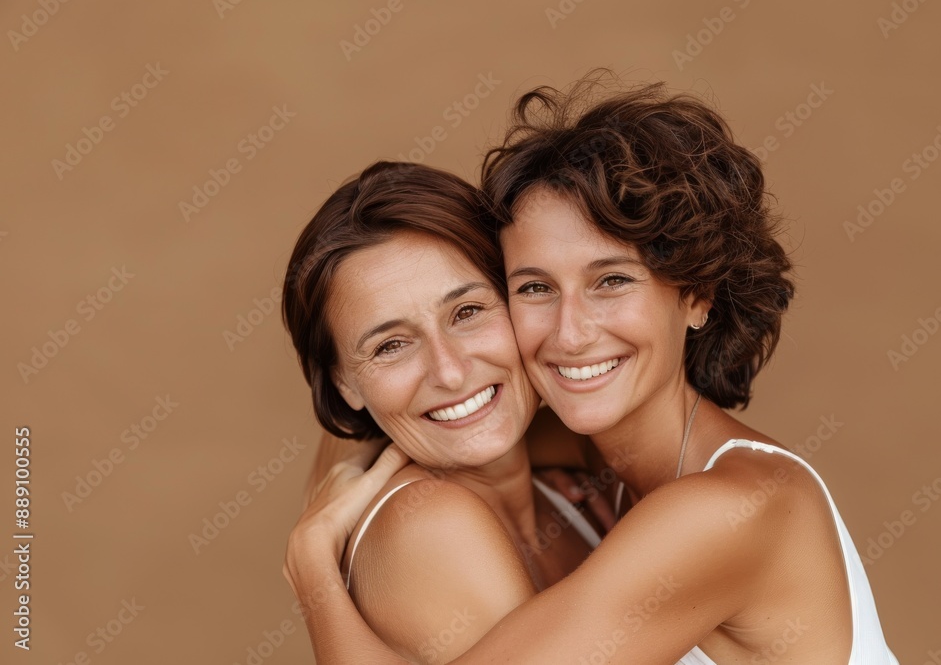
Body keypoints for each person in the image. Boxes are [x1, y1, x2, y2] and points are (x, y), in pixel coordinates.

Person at [284, 73, 899, 663]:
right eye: (534, 288)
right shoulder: (596, 459)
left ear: (696, 294)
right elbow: (405, 411)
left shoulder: (728, 508)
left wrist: (314, 569)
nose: (570, 333)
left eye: (611, 281)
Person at [281, 161, 607, 663]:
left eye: (468, 312)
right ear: (344, 381)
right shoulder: (431, 525)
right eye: (391, 345)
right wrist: (311, 563)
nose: (450, 372)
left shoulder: (567, 478)